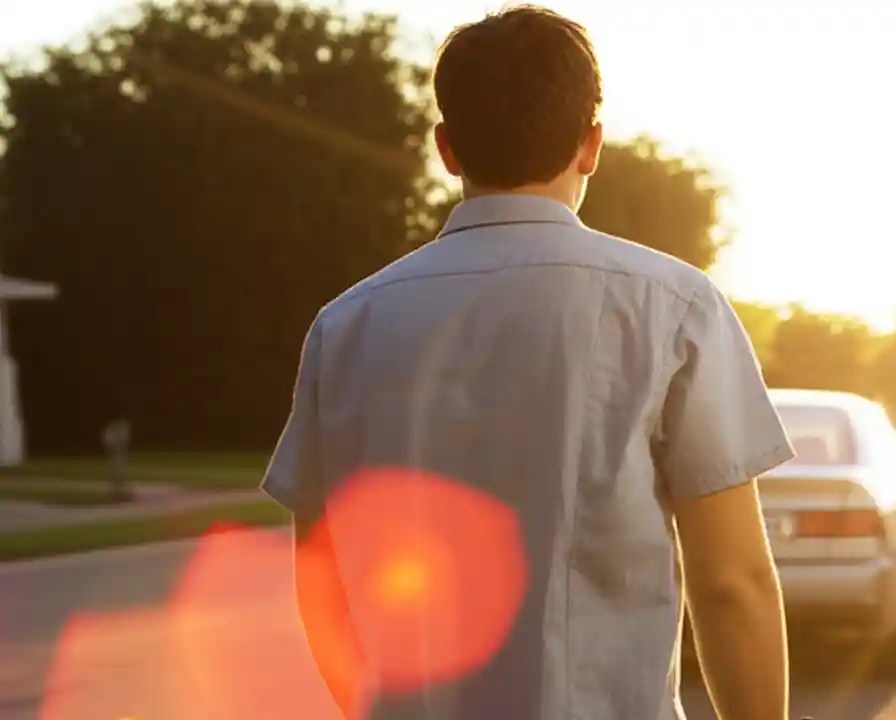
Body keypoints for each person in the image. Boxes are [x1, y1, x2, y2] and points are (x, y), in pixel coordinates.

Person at [261, 6, 793, 719]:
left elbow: (322, 585)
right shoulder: (674, 307)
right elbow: (732, 584)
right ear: (592, 144)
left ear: (447, 148)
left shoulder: (347, 324)